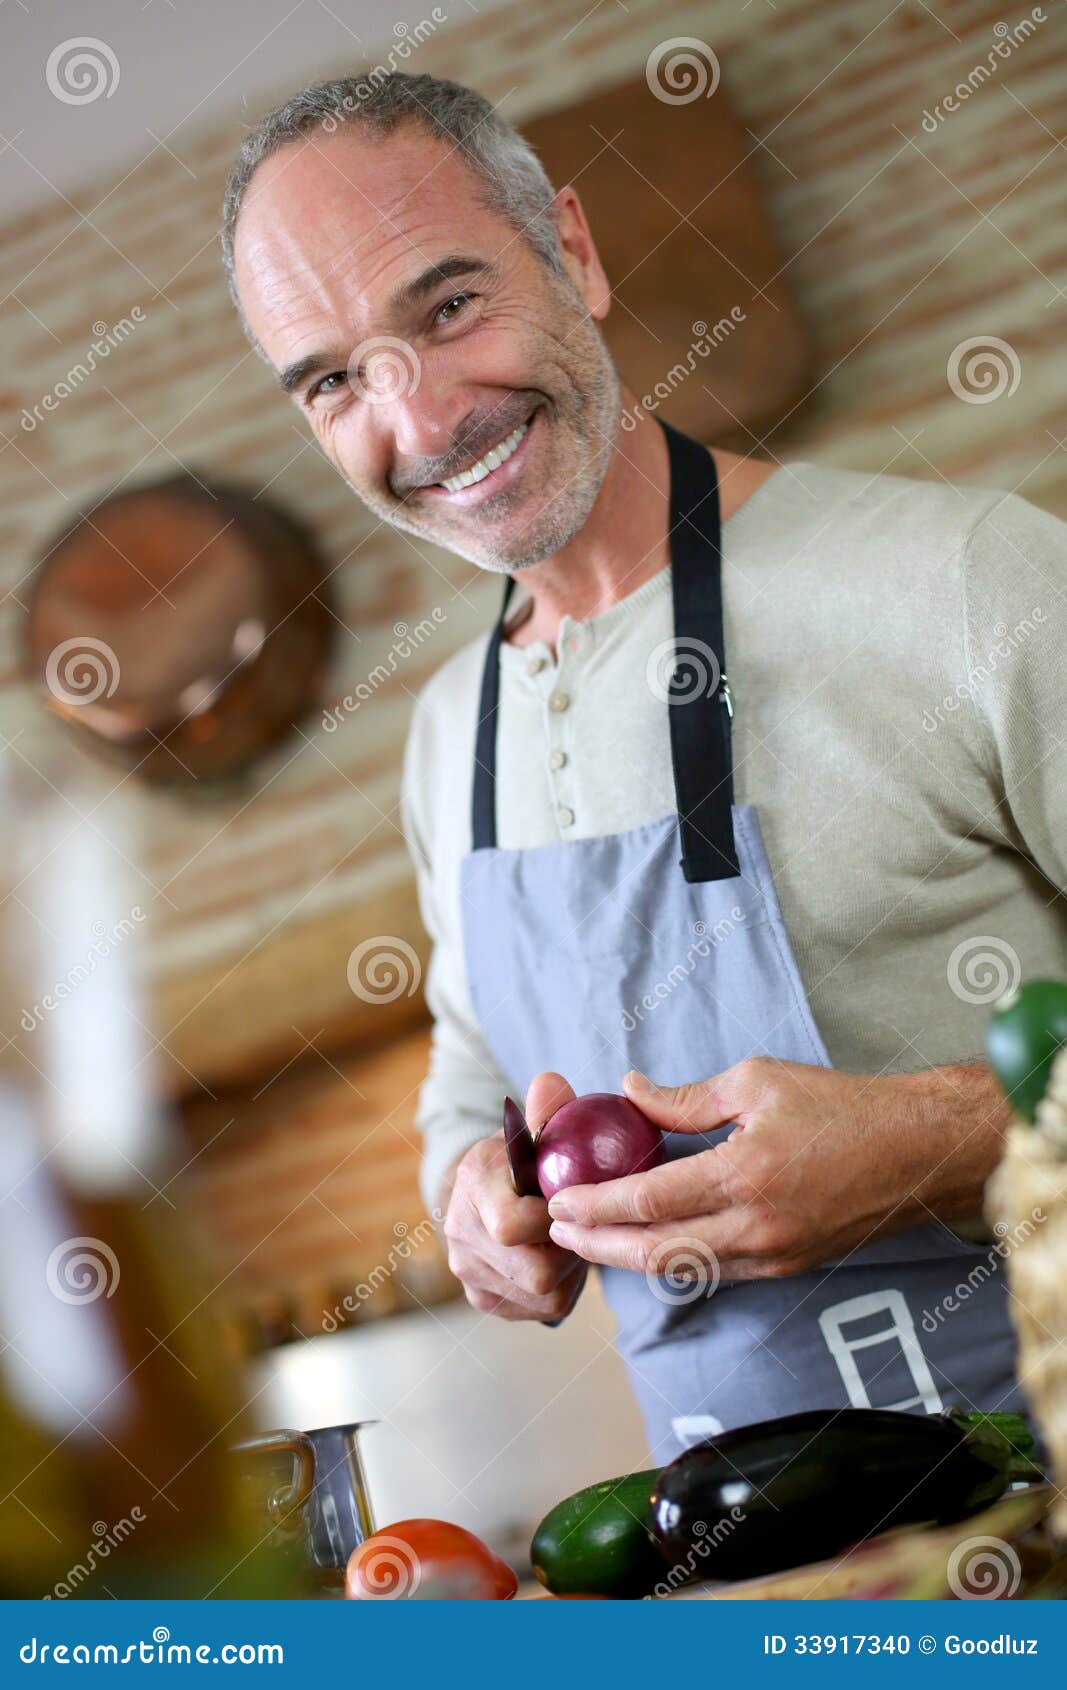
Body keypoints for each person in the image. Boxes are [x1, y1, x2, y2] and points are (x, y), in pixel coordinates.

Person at [223, 71, 1067, 1461]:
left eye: (448, 307)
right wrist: (473, 1201)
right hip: (753, 1573)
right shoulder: (452, 738)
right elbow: (472, 1071)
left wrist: (943, 1136)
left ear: (576, 252)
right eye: (332, 378)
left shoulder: (969, 580)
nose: (423, 420)